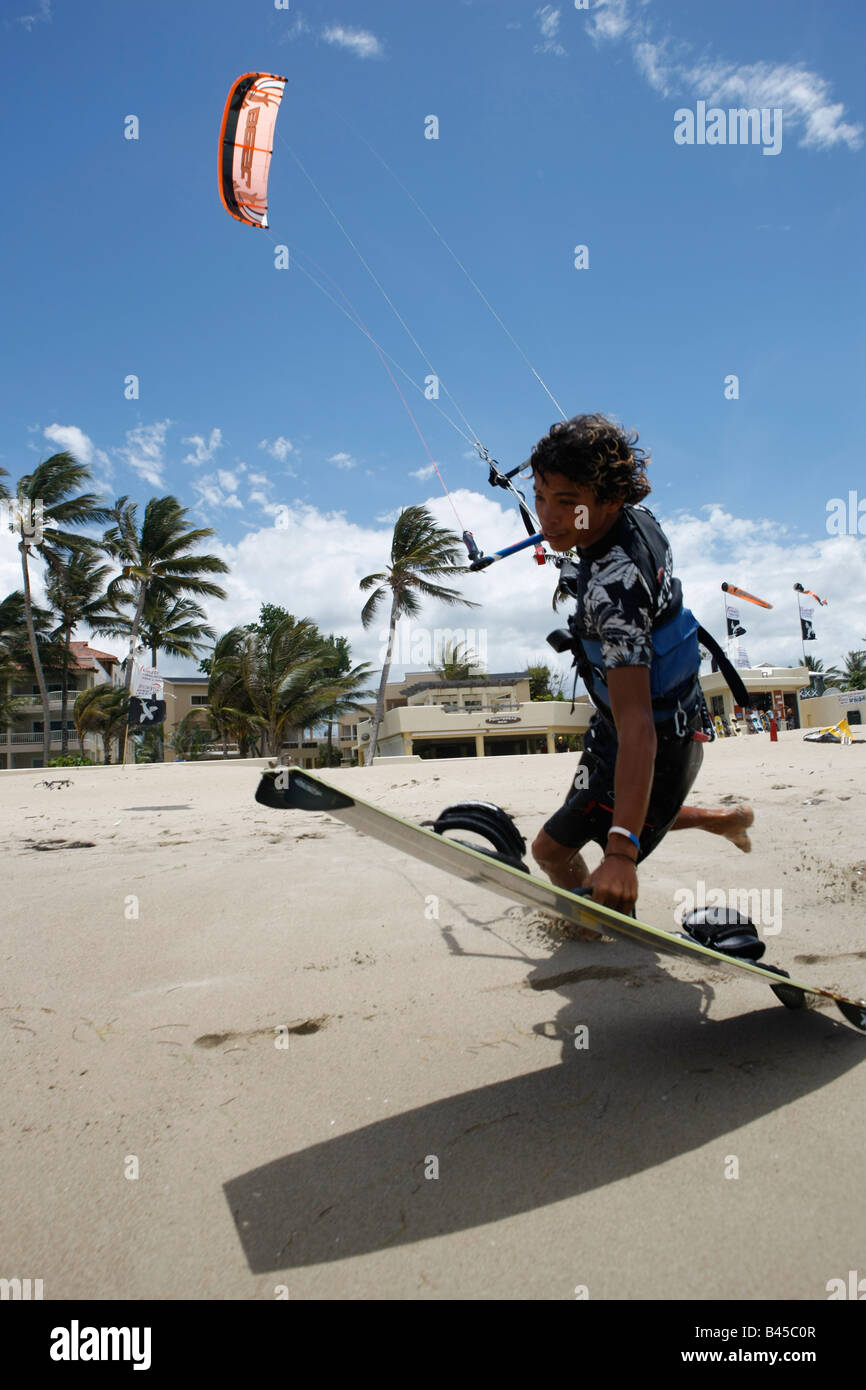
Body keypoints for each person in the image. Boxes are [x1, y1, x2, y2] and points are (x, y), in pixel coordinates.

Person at [529, 413, 753, 933]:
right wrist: (574, 538)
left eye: (566, 502)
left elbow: (639, 730)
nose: (547, 515)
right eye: (540, 496)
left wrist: (622, 855)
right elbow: (600, 541)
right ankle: (725, 820)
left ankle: (600, 927)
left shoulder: (614, 589)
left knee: (553, 850)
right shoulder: (633, 517)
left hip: (657, 740)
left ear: (609, 498)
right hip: (624, 725)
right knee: (572, 834)